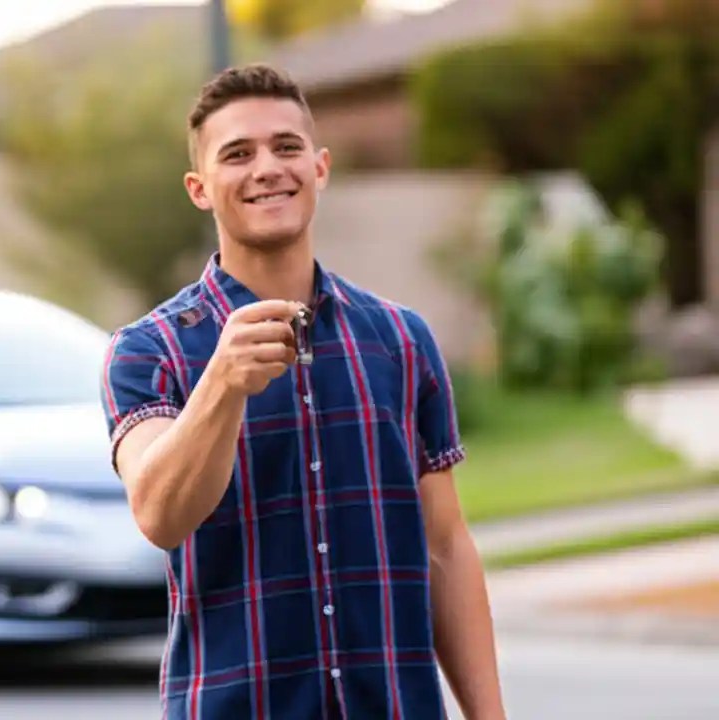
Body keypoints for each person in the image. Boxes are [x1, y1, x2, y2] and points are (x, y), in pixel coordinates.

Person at [100, 64, 507, 720]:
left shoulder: (402, 341)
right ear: (199, 189)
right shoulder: (148, 351)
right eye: (238, 154)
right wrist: (222, 386)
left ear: (319, 168)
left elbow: (446, 546)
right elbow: (159, 515)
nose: (267, 167)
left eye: (286, 147)